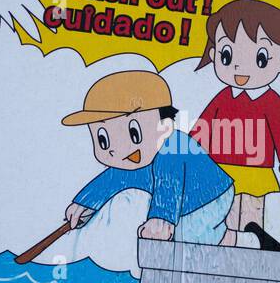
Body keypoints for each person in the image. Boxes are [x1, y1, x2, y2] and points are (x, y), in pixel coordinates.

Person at [191, 0, 280, 250]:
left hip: (257, 169)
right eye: (227, 55)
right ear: (214, 55)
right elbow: (204, 125)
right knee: (222, 212)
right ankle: (227, 248)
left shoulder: (271, 101)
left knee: (251, 215)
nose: (239, 67)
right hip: (221, 168)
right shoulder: (223, 97)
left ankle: (252, 249)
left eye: (260, 58)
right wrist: (192, 147)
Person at [62, 70, 233, 245]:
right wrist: (86, 202)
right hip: (184, 200)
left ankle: (238, 239)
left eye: (133, 133)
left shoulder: (172, 148)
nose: (116, 150)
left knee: (190, 241)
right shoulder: (133, 155)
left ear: (165, 126)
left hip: (209, 195)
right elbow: (112, 178)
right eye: (103, 140)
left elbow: (169, 185)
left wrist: (161, 219)